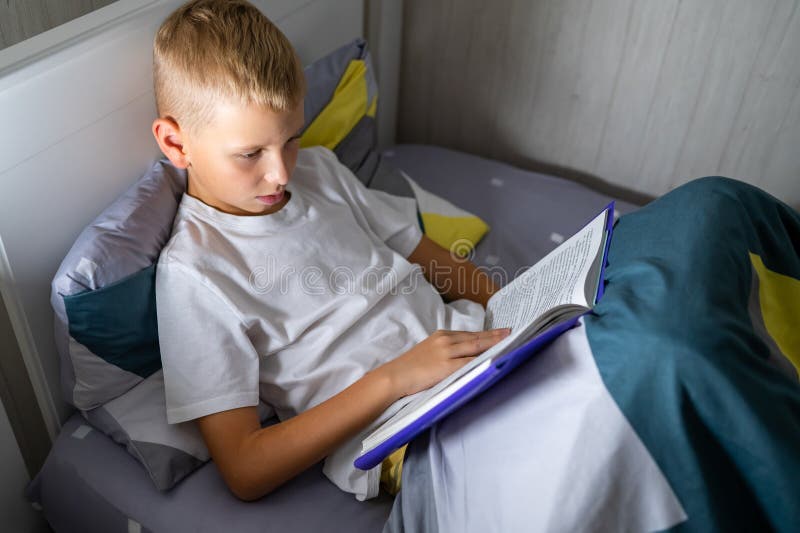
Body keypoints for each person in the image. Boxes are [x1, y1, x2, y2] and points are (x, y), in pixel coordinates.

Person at [152, 0, 507, 502]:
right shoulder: (193, 275)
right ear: (176, 143)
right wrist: (395, 378)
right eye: (250, 154)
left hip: (476, 347)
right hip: (404, 428)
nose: (281, 173)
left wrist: (519, 306)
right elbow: (245, 469)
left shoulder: (320, 169)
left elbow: (426, 255)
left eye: (290, 139)